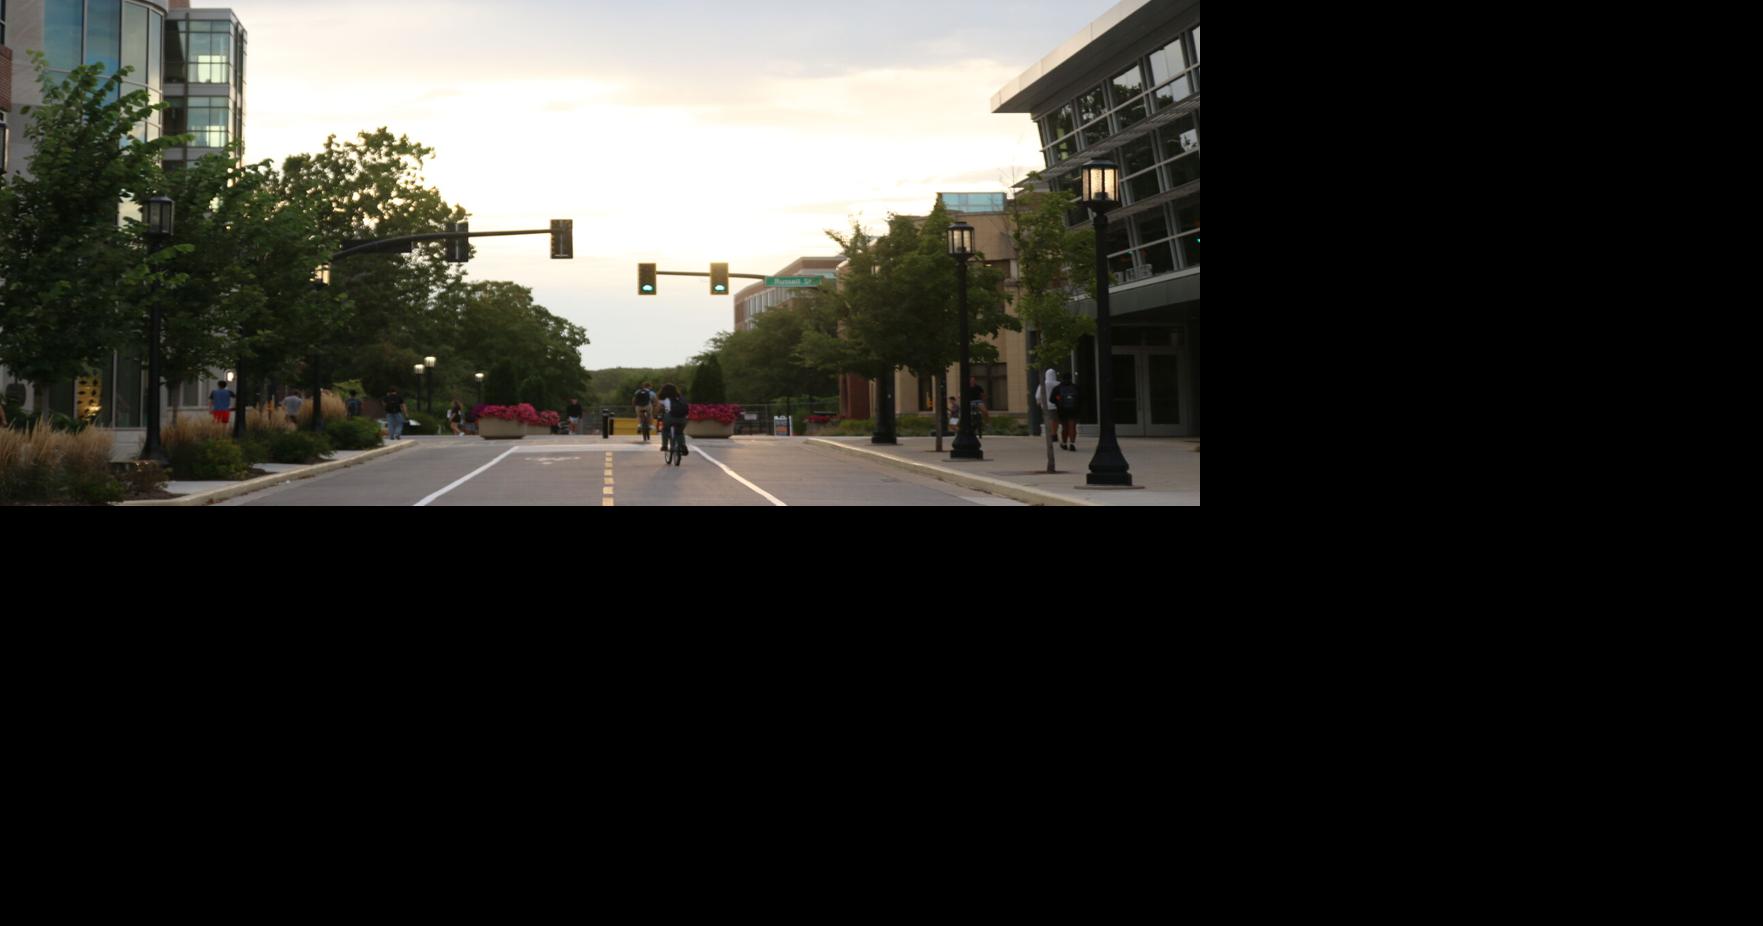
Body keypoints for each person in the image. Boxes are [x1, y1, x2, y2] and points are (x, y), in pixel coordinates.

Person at [658, 383, 689, 462]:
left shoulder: (664, 398)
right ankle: (683, 445)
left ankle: (664, 446)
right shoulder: (681, 397)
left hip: (670, 418)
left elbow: (659, 408)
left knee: (664, 429)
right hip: (683, 419)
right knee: (680, 432)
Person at [1051, 373, 1080, 451]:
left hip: (1062, 410)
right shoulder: (1076, 387)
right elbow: (1082, 398)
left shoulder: (1057, 388)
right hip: (1073, 410)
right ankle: (1072, 443)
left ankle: (1064, 443)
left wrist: (1058, 402)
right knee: (1072, 426)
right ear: (1071, 378)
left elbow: (1052, 399)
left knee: (1065, 427)